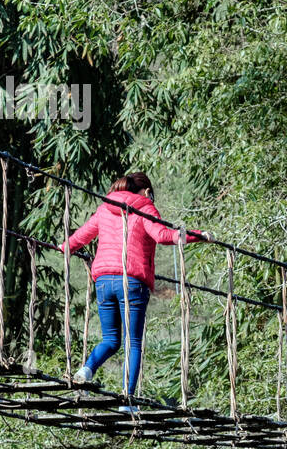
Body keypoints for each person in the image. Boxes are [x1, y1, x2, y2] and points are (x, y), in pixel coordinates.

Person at [62, 172, 210, 410]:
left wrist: (62, 247)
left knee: (111, 340)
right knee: (134, 342)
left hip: (103, 282)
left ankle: (86, 369)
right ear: (147, 191)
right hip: (131, 282)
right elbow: (163, 236)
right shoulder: (144, 207)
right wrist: (198, 236)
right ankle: (127, 402)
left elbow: (78, 239)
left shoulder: (104, 208)